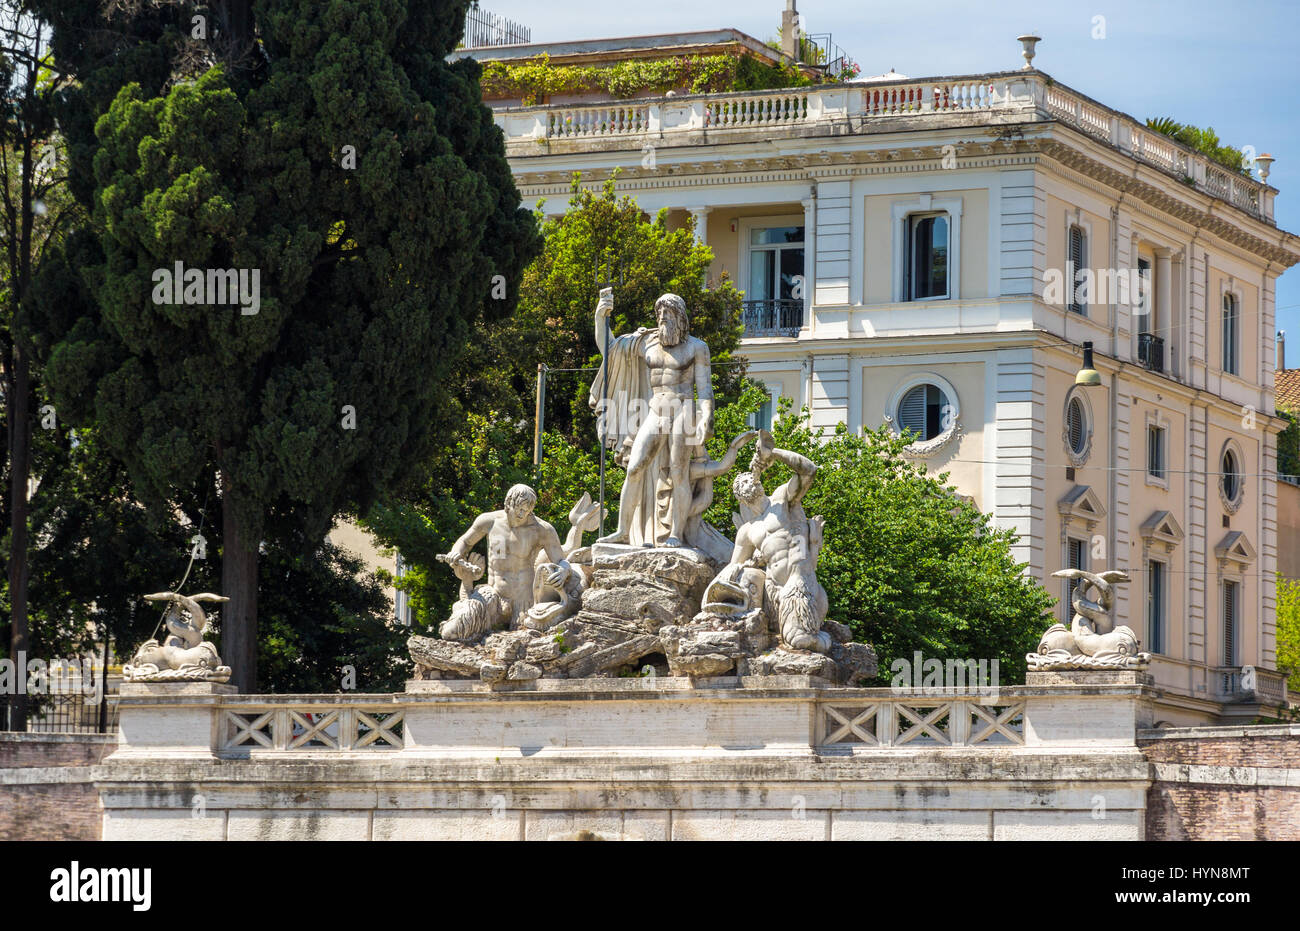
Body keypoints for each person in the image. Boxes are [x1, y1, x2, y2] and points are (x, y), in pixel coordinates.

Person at [589, 289, 713, 548]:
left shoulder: (697, 347)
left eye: (667, 313)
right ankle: (623, 531)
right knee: (635, 468)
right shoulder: (647, 342)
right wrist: (601, 316)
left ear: (680, 316)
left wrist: (707, 420)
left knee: (679, 472)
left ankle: (676, 534)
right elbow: (610, 350)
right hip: (656, 411)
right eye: (659, 313)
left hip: (684, 411)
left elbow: (705, 390)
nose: (662, 318)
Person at [726, 430, 831, 653]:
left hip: (801, 584)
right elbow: (731, 571)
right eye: (742, 481)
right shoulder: (747, 530)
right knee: (800, 641)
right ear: (740, 496)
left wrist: (772, 454)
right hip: (777, 593)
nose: (748, 481)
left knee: (799, 641)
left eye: (749, 477)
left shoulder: (781, 499)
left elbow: (809, 470)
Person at [437, 484, 570, 641]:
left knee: (525, 644)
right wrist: (456, 553)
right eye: (519, 509)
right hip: (493, 596)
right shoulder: (488, 521)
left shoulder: (542, 529)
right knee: (452, 632)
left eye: (527, 511)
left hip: (524, 601)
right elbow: (465, 542)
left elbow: (562, 561)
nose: (523, 514)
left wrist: (563, 571)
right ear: (508, 503)